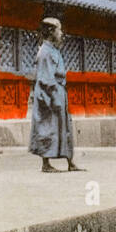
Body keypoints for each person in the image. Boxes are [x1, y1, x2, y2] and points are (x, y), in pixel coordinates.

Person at [28, 17, 82, 172]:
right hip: (48, 93)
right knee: (47, 127)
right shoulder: (45, 51)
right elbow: (46, 78)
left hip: (57, 91)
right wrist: (54, 97)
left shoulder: (53, 50)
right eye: (59, 30)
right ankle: (46, 163)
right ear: (51, 31)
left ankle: (70, 161)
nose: (61, 33)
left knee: (64, 127)